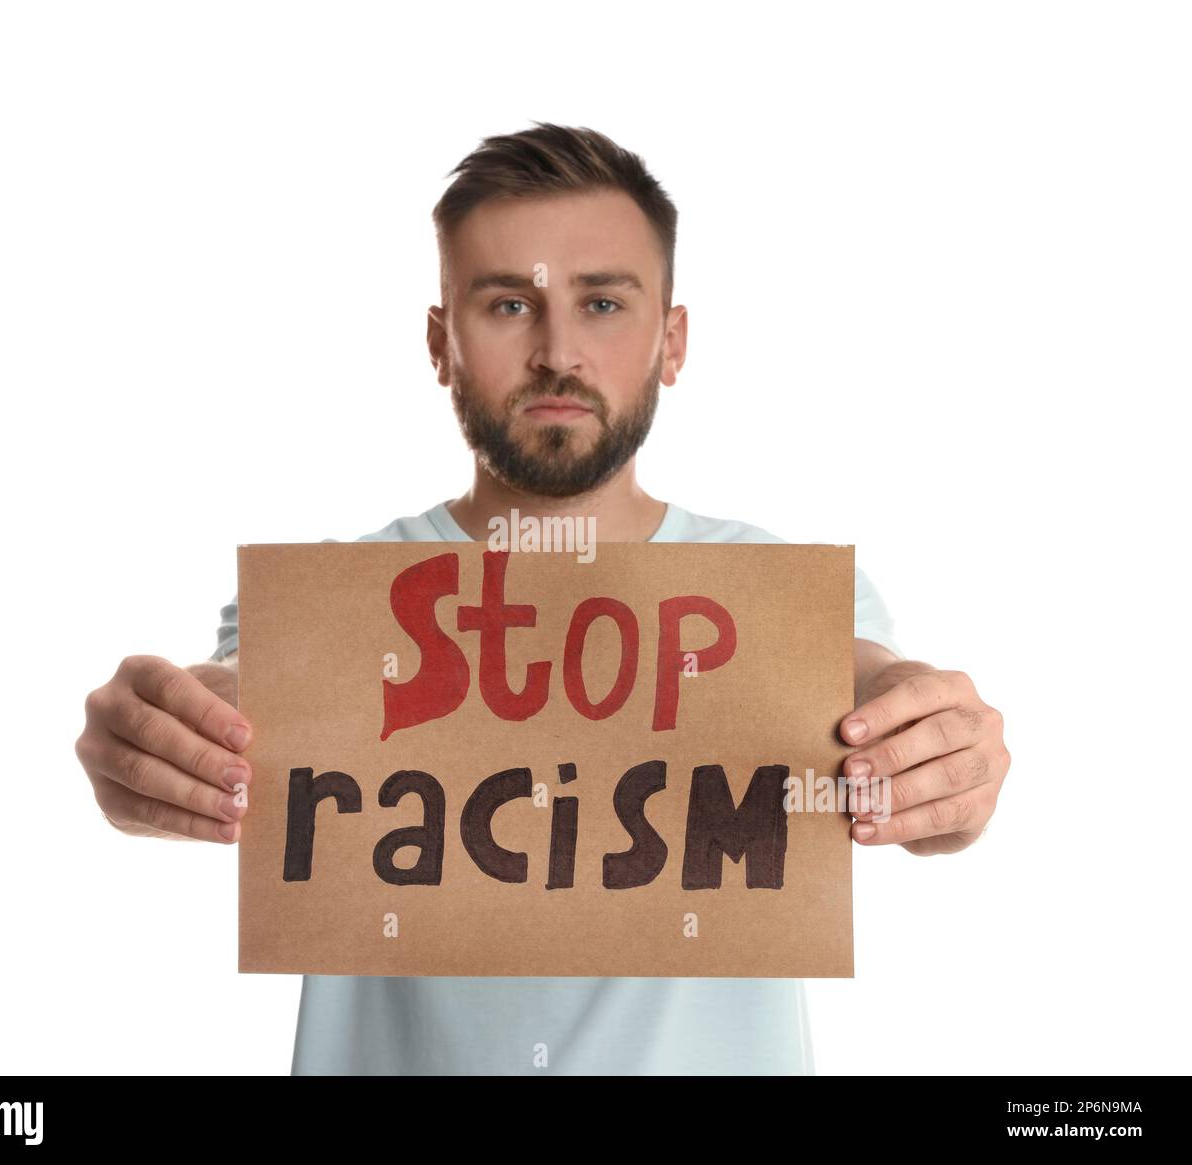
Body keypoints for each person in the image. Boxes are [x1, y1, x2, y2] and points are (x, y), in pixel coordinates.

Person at [75, 122, 1011, 1075]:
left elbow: (873, 693)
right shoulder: (330, 597)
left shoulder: (786, 591)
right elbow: (236, 700)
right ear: (441, 343)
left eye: (602, 302)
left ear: (671, 340)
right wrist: (159, 738)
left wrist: (946, 754)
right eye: (509, 304)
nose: (558, 351)